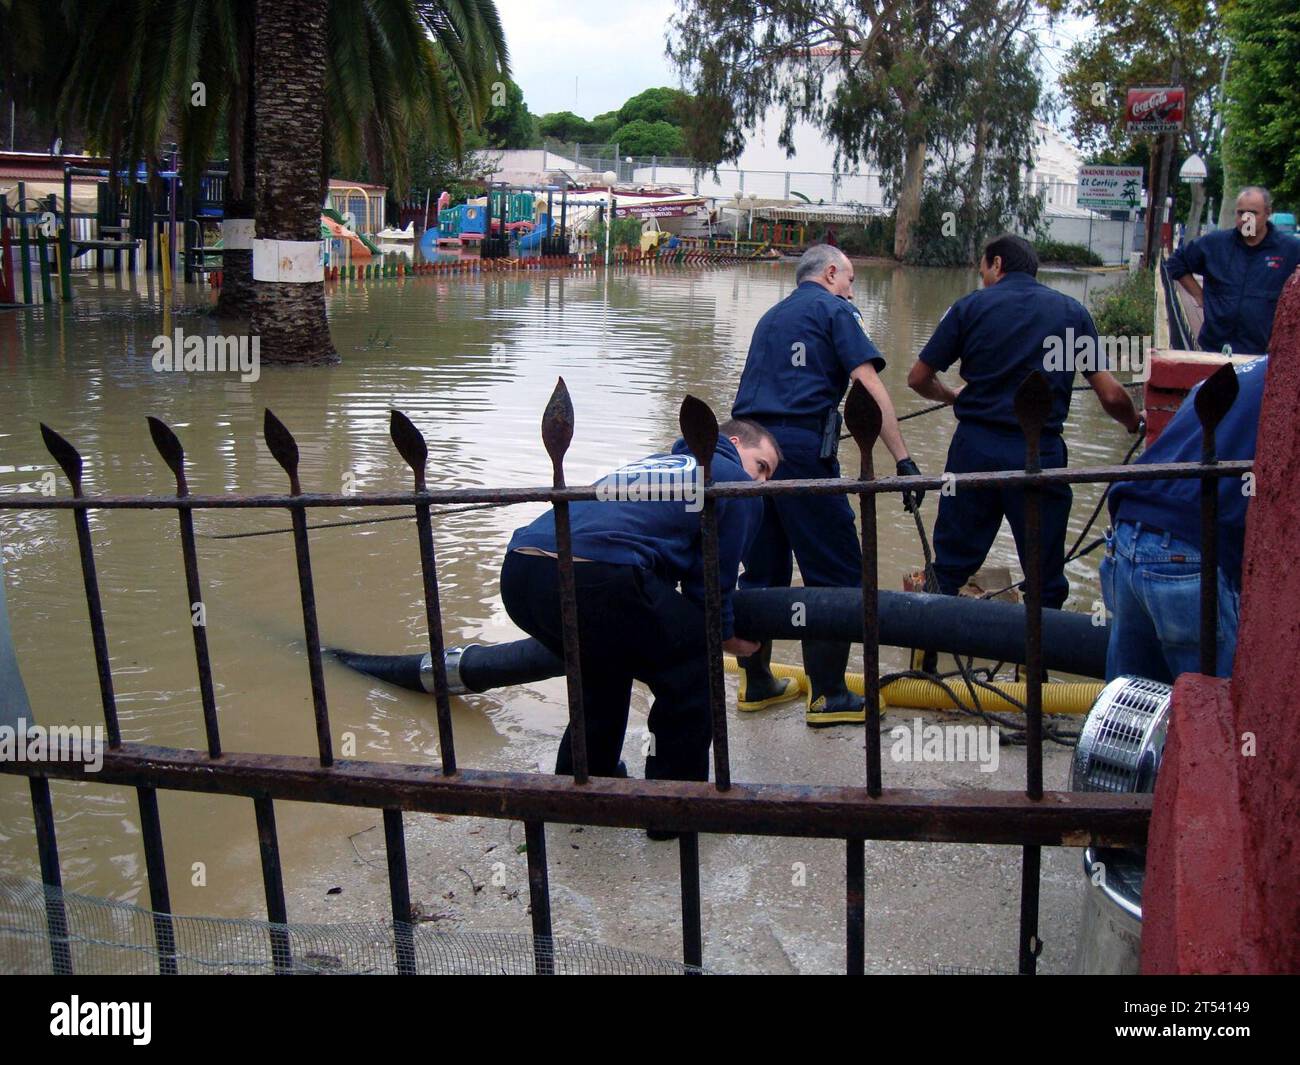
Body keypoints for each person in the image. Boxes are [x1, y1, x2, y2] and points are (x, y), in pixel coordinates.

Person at [499, 419, 780, 798]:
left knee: (602, 669)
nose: (761, 483)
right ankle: (672, 805)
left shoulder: (653, 464)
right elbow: (711, 580)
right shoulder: (728, 478)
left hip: (520, 571)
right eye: (761, 465)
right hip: (601, 573)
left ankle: (583, 783)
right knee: (691, 669)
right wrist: (724, 635)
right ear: (732, 442)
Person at [731, 243, 921, 727]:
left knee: (761, 574)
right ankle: (830, 695)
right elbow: (868, 388)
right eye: (851, 279)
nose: (852, 289)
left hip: (747, 453)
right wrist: (903, 460)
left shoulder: (771, 317)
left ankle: (756, 683)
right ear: (831, 272)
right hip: (801, 453)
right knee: (837, 575)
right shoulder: (836, 309)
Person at [907, 233, 1141, 612]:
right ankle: (1037, 663)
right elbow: (1111, 395)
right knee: (1045, 578)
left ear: (997, 264)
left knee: (947, 569)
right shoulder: (1071, 313)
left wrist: (955, 396)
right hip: (1039, 455)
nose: (982, 277)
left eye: (983, 268)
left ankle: (927, 657)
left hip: (974, 452)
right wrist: (1135, 423)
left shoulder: (969, 308)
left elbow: (918, 378)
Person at [1102, 357, 1266, 682]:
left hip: (1127, 532)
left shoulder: (1238, 374)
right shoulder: (1280, 385)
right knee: (1212, 709)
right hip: (1189, 552)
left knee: (1127, 707)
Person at [1168, 186, 1300, 355]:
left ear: (1268, 213)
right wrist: (1199, 295)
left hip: (1263, 354)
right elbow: (1176, 263)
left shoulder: (1288, 249)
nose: (1246, 219)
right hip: (1214, 349)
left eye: (1253, 213)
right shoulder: (1215, 244)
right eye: (1240, 213)